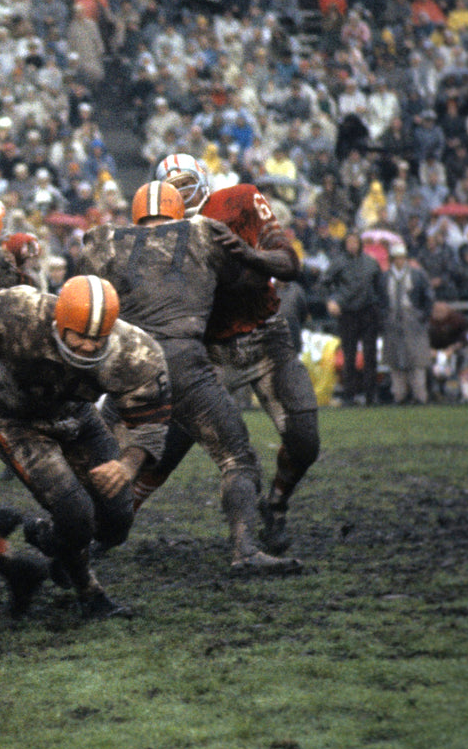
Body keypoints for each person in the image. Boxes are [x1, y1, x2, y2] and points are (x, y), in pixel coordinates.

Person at [79, 181, 301, 574]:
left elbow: (89, 298)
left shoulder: (102, 240)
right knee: (238, 458)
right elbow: (247, 281)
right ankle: (245, 549)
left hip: (128, 362)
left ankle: (69, 534)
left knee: (101, 456)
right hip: (183, 363)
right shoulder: (201, 232)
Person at [0, 275, 172, 617]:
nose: (90, 347)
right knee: (75, 513)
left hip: (77, 417)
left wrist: (128, 465)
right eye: (79, 335)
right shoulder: (18, 312)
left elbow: (150, 420)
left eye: (98, 338)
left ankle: (48, 537)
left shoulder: (135, 350)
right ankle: (89, 592)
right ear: (56, 323)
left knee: (117, 517)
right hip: (14, 420)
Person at [134, 157, 320, 556]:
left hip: (265, 336)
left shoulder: (240, 200)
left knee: (304, 440)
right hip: (206, 353)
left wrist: (250, 255)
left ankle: (276, 505)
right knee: (161, 455)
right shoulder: (159, 233)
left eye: (187, 182)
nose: (182, 193)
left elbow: (289, 263)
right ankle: (106, 527)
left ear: (204, 180)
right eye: (172, 186)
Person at [321, 230, 385, 406]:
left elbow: (380, 288)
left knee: (370, 354)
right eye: (349, 242)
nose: (352, 245)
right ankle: (349, 395)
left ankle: (371, 395)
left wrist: (379, 307)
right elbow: (324, 283)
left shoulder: (371, 263)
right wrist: (331, 300)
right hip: (347, 312)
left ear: (360, 244)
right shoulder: (338, 263)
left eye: (355, 242)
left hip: (368, 312)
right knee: (348, 354)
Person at [380, 243, 434, 405]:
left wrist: (422, 317)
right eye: (396, 258)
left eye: (402, 257)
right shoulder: (385, 277)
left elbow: (428, 297)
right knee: (395, 362)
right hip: (392, 321)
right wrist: (384, 318)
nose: (399, 261)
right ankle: (400, 396)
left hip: (413, 321)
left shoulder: (418, 275)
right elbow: (380, 301)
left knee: (417, 361)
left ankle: (420, 396)